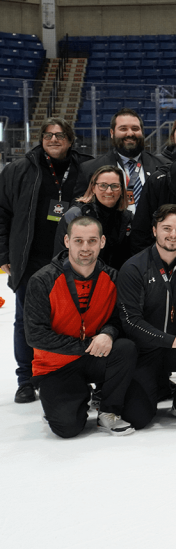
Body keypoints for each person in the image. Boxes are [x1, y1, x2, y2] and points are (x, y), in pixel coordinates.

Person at [0, 118, 90, 403]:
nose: (54, 139)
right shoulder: (19, 169)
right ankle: (26, 378)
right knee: (25, 319)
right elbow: (2, 214)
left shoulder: (84, 169)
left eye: (60, 135)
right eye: (48, 135)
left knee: (73, 317)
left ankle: (69, 372)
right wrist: (4, 255)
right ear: (40, 138)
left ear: (70, 140)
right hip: (30, 258)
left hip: (72, 259)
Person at [24, 216, 138, 437]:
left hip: (93, 357)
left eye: (92, 241)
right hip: (56, 365)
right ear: (67, 241)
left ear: (102, 242)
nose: (85, 247)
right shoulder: (43, 280)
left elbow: (118, 320)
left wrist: (108, 333)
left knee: (125, 348)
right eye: (78, 241)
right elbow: (35, 335)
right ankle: (66, 400)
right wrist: (86, 345)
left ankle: (108, 413)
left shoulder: (113, 278)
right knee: (67, 428)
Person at [117, 204, 176, 427]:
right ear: (154, 230)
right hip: (146, 350)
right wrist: (172, 340)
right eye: (167, 228)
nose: (173, 235)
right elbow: (130, 321)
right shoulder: (134, 268)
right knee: (138, 418)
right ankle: (158, 385)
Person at [76, 108, 165, 211]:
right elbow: (79, 205)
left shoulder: (163, 166)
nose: (130, 133)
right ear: (112, 133)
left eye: (135, 129)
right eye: (123, 129)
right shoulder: (90, 169)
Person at [55, 165, 134, 270]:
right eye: (103, 185)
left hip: (115, 280)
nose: (109, 191)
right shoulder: (75, 215)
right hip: (79, 279)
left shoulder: (127, 218)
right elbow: (61, 257)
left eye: (115, 186)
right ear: (93, 188)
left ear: (121, 189)